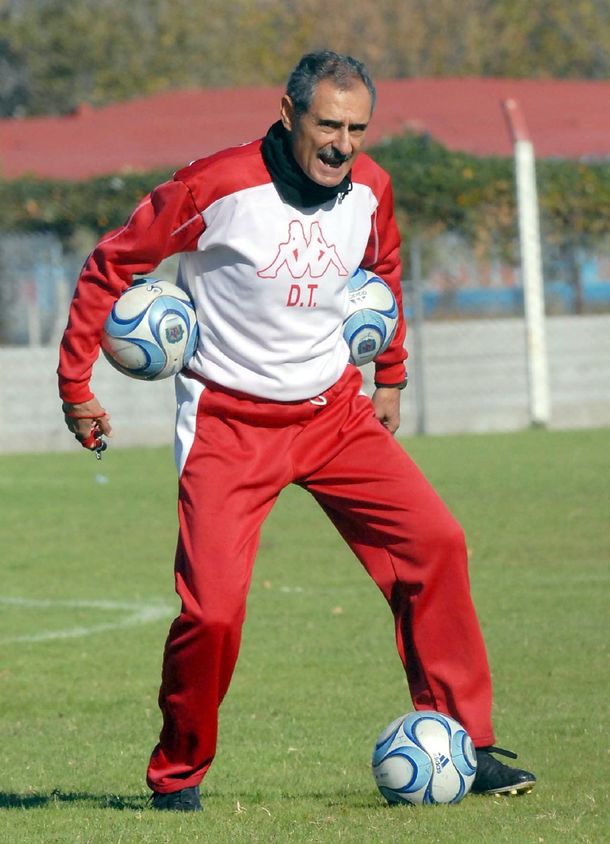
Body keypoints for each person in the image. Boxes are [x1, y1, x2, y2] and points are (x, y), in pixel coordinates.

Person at [59, 51, 536, 812]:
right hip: (230, 426)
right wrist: (76, 383)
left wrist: (391, 376)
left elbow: (383, 275)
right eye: (328, 124)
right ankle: (178, 774)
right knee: (210, 613)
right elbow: (111, 264)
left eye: (356, 128)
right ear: (287, 113)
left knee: (435, 544)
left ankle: (465, 742)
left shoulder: (371, 189)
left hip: (336, 415)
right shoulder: (214, 187)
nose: (343, 143)